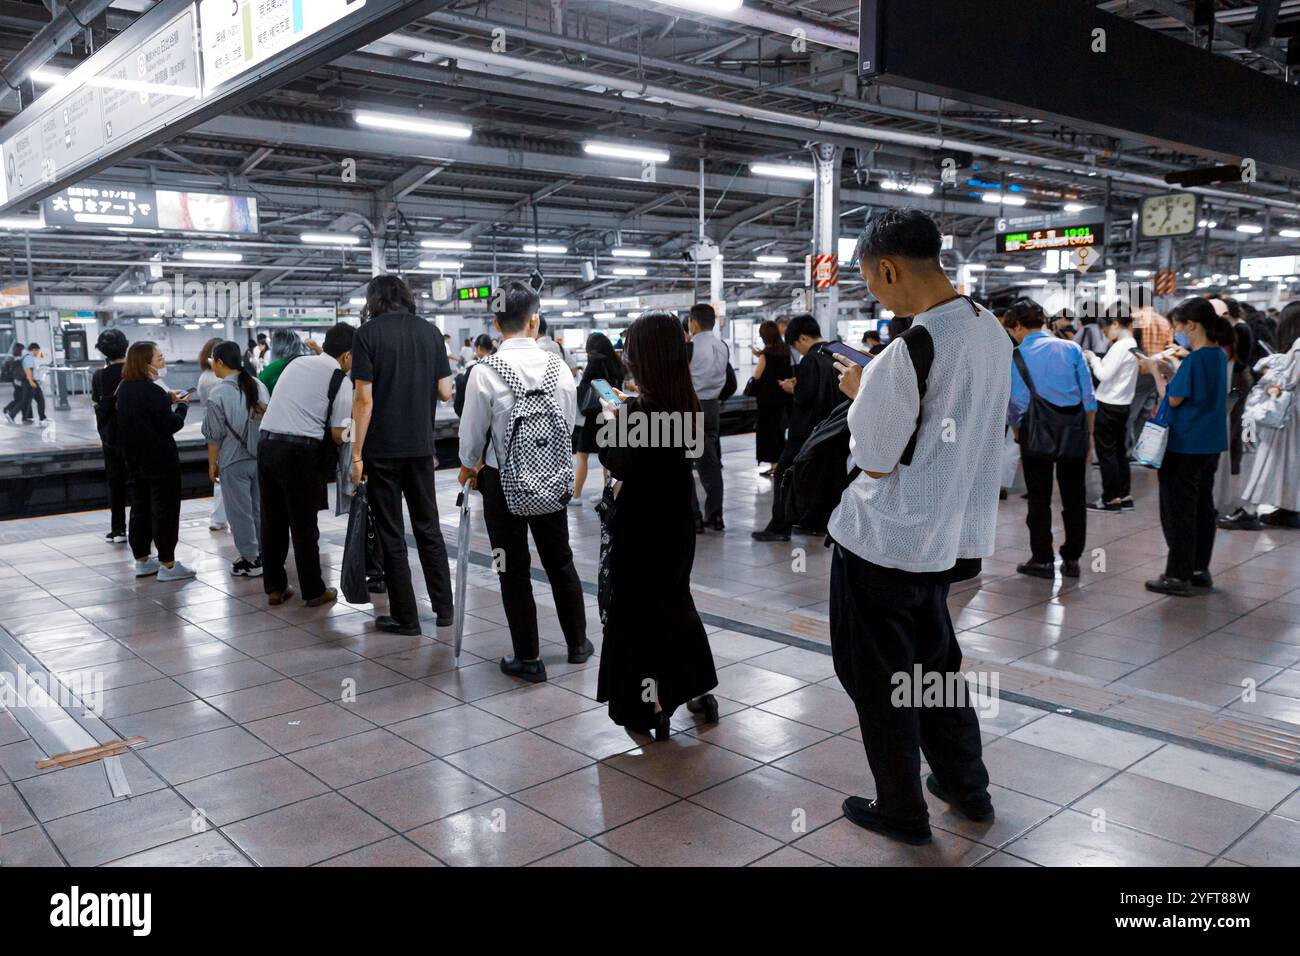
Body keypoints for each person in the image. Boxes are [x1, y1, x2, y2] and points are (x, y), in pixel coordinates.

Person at [828, 208, 1009, 845]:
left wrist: (862, 391)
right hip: (949, 541)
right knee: (935, 673)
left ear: (888, 268)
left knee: (877, 680)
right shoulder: (989, 330)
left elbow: (875, 461)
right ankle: (968, 789)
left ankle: (901, 810)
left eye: (869, 280)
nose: (871, 291)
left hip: (885, 544)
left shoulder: (909, 350)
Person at [457, 280, 590, 682]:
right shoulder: (560, 369)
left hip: (501, 484)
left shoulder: (484, 372)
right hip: (551, 477)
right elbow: (567, 426)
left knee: (511, 568)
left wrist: (468, 466)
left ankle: (528, 659)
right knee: (560, 561)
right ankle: (578, 644)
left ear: (496, 324)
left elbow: (471, 438)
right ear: (535, 321)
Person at [596, 312, 718, 740]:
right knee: (674, 605)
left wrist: (613, 422)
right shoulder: (686, 403)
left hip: (640, 527)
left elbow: (616, 463)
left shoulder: (637, 413)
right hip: (677, 522)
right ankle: (697, 690)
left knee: (635, 617)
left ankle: (646, 709)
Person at [350, 276, 456, 635]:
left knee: (391, 533)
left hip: (382, 451)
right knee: (429, 528)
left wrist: (356, 455)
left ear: (374, 300)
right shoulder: (430, 333)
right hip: (421, 448)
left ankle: (406, 617)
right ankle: (444, 610)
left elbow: (364, 400)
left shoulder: (366, 335)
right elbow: (445, 392)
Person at [259, 322, 355, 608]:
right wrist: (356, 428)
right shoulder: (340, 379)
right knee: (303, 525)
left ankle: (275, 588)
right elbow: (339, 434)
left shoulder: (297, 363)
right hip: (299, 454)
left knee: (272, 521)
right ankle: (313, 590)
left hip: (266, 444)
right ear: (348, 355)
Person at [1142, 298, 1231, 596]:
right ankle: (1198, 569)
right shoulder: (1217, 355)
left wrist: (1157, 371)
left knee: (1178, 509)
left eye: (1177, 326)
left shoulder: (1194, 359)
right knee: (1203, 507)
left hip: (1186, 443)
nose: (1176, 332)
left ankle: (1177, 575)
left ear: (1191, 325)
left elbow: (1175, 398)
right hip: (1211, 442)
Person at [1007, 298, 1096, 579]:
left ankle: (1042, 559)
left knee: (1039, 498)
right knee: (1074, 497)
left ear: (1019, 325)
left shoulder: (1017, 355)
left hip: (1036, 434)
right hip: (1074, 432)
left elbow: (1017, 404)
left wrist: (1020, 434)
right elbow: (1088, 398)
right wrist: (1088, 436)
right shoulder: (1072, 348)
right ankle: (1072, 559)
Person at [751, 313, 845, 542]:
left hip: (806, 433)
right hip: (833, 430)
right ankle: (816, 523)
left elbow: (805, 396)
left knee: (785, 475)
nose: (797, 350)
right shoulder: (837, 353)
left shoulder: (810, 359)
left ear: (802, 338)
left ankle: (779, 527)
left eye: (795, 344)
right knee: (826, 478)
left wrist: (793, 388)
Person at [116, 342, 196, 581]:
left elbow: (144, 414)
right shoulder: (152, 391)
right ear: (146, 362)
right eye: (159, 358)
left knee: (140, 509)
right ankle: (168, 565)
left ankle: (142, 560)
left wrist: (166, 399)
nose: (163, 362)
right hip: (161, 461)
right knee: (165, 511)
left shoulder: (124, 388)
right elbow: (171, 424)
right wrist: (181, 406)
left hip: (135, 460)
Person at [203, 341, 268, 577]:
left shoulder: (218, 393)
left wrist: (213, 463)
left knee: (240, 513)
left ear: (220, 362)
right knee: (259, 509)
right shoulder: (258, 386)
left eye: (213, 360)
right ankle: (264, 552)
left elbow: (214, 435)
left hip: (233, 460)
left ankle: (251, 560)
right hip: (259, 458)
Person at [1233, 301, 1300, 529]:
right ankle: (1289, 508)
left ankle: (1249, 511)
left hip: (1285, 415)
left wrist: (1270, 375)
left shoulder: (1299, 346)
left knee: (1266, 459)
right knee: (1289, 462)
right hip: (1293, 416)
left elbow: (1288, 381)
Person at [1084, 311, 1139, 512]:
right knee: (1119, 453)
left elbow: (1104, 375)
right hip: (1123, 404)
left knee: (1107, 453)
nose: (1105, 333)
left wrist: (1092, 358)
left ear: (1115, 323)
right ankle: (1124, 495)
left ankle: (1110, 498)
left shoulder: (1120, 346)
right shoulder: (1132, 344)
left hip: (1107, 404)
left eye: (1106, 328)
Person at [686, 303, 729, 532]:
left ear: (693, 322)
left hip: (692, 408)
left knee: (685, 464)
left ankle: (694, 518)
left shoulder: (689, 348)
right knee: (711, 465)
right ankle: (716, 516)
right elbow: (729, 379)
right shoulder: (723, 346)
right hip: (713, 407)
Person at [572, 332, 624, 505]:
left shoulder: (594, 362)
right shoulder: (616, 362)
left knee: (582, 455)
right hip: (611, 413)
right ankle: (606, 494)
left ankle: (577, 496)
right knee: (606, 456)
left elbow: (585, 384)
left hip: (594, 415)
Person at [90, 329, 129, 544]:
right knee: (141, 482)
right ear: (126, 347)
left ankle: (118, 530)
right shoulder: (135, 372)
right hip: (136, 434)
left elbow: (96, 404)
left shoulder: (99, 376)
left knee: (116, 482)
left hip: (111, 437)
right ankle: (147, 524)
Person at [1128, 305, 1174, 448]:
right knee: (1145, 414)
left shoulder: (1136, 319)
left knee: (1130, 414)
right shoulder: (1164, 322)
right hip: (1156, 374)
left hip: (1138, 372)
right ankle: (1140, 448)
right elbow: (1170, 348)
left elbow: (1131, 344)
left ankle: (1126, 450)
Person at [751, 319, 792, 476]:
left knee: (769, 433)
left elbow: (757, 376)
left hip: (767, 401)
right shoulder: (786, 350)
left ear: (764, 336)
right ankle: (781, 463)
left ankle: (775, 465)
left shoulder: (766, 354)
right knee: (780, 431)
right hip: (784, 397)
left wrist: (760, 358)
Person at [197, 338, 228, 532]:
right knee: (224, 476)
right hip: (223, 430)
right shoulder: (217, 379)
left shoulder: (204, 376)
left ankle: (219, 518)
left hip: (212, 427)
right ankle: (218, 519)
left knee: (221, 473)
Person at [258, 329, 312, 395]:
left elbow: (262, 399)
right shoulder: (308, 365)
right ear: (297, 345)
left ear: (275, 346)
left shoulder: (269, 371)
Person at [19, 343, 47, 424]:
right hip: (31, 382)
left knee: (28, 400)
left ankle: (26, 417)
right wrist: (31, 382)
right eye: (37, 351)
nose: (38, 353)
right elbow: (28, 370)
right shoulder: (29, 357)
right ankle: (42, 418)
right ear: (33, 350)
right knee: (40, 400)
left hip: (29, 382)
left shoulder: (27, 356)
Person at [2, 343, 25, 423]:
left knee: (18, 398)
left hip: (15, 381)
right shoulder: (17, 360)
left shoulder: (12, 359)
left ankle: (7, 409)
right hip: (18, 381)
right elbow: (18, 372)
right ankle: (11, 414)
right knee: (22, 399)